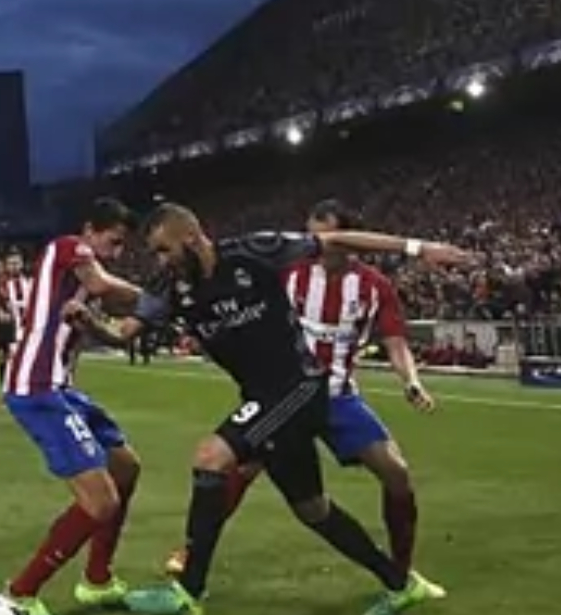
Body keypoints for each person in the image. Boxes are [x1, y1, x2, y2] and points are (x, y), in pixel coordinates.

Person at [102, 204, 466, 615]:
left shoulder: (253, 252)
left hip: (299, 388)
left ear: (189, 238)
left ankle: (188, 591)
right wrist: (87, 319)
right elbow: (121, 333)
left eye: (164, 251)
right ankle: (401, 583)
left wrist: (419, 248)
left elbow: (337, 241)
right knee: (312, 509)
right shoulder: (171, 287)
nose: (160, 261)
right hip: (267, 397)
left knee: (211, 458)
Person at [164, 201, 440, 585]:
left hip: (338, 396)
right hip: (285, 390)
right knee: (237, 468)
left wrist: (410, 380)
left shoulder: (374, 286)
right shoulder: (288, 272)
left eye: (325, 233)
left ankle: (401, 568)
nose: (317, 241)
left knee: (396, 474)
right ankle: (192, 552)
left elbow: (395, 342)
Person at [1, 199, 151, 615]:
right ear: (89, 230)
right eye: (113, 241)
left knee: (126, 466)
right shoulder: (69, 248)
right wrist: (158, 296)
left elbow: (119, 329)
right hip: (37, 388)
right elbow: (104, 283)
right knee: (100, 500)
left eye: (123, 246)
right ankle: (22, 593)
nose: (116, 253)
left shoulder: (80, 286)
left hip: (62, 387)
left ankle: (97, 580)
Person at [0, 250, 33, 390]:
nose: (14, 266)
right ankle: (8, 392)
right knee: (9, 363)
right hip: (10, 332)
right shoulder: (1, 287)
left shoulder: (31, 283)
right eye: (11, 264)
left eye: (17, 263)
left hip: (30, 331)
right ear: (6, 266)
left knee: (29, 363)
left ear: (22, 264)